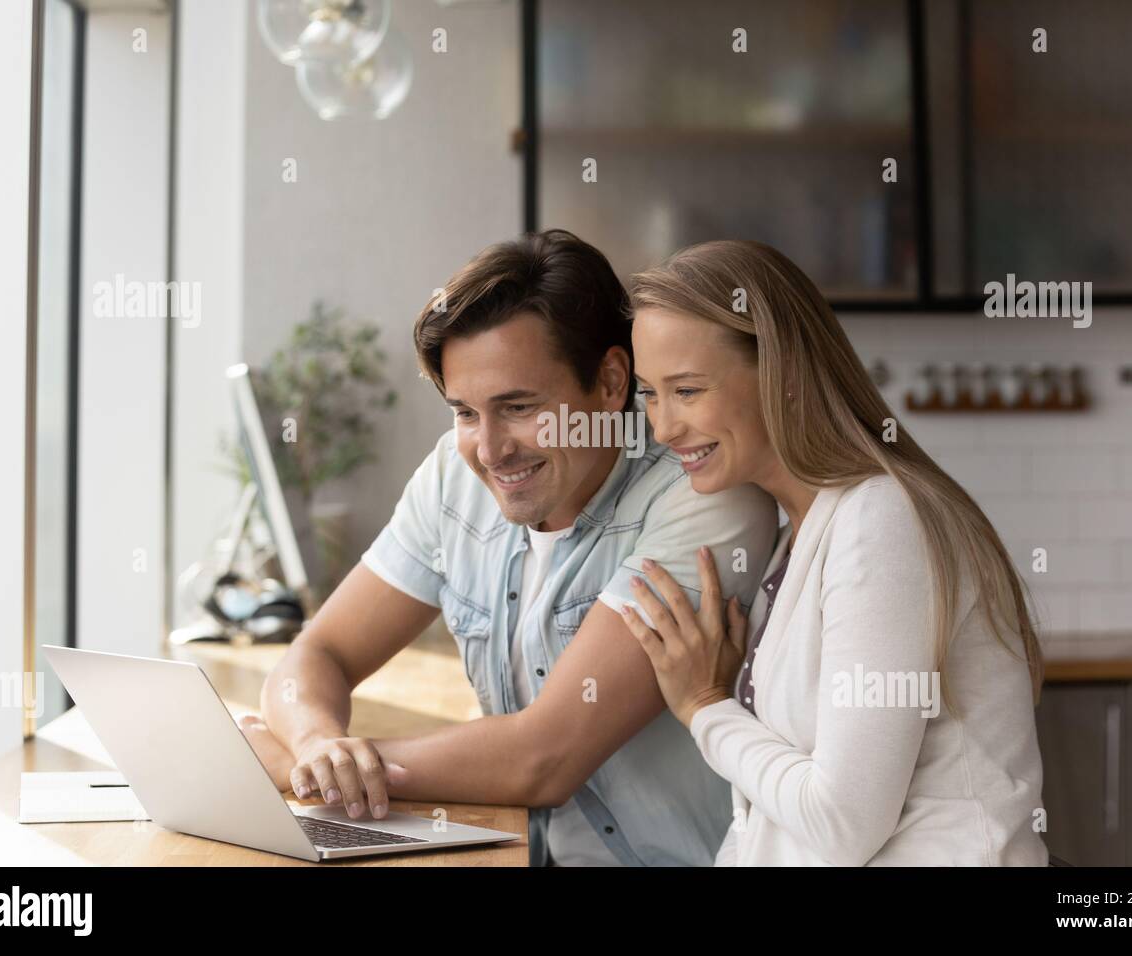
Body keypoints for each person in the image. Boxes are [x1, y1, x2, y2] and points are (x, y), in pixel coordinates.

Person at [242, 230, 779, 866]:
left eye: (519, 407)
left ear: (610, 383)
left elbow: (543, 757)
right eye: (465, 412)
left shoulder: (704, 497)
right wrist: (315, 744)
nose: (491, 450)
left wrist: (294, 770)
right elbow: (319, 652)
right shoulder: (454, 477)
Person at [617, 239, 1049, 866]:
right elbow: (772, 817)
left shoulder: (882, 519)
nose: (663, 427)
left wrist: (706, 709)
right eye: (649, 393)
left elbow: (842, 822)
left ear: (782, 376)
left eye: (687, 390)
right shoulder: (801, 530)